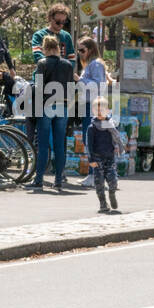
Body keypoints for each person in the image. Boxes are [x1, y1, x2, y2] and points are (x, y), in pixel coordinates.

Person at [28, 34, 75, 191]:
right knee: (59, 145)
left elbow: (39, 87)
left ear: (45, 48)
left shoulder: (42, 63)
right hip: (63, 106)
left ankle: (39, 179)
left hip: (46, 106)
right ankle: (58, 179)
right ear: (57, 48)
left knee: (42, 145)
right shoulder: (68, 65)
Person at [76, 36, 109, 184]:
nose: (80, 53)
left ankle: (94, 174)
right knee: (89, 139)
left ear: (90, 50)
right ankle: (95, 174)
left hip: (93, 105)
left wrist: (79, 79)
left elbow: (98, 85)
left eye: (82, 50)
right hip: (89, 104)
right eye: (79, 50)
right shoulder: (91, 64)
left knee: (90, 140)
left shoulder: (95, 64)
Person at [84, 98, 121, 214]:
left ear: (108, 111)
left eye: (102, 110)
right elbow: (88, 145)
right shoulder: (92, 128)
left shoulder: (110, 125)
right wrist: (91, 159)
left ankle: (112, 193)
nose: (100, 113)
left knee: (113, 179)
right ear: (93, 111)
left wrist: (118, 147)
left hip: (110, 158)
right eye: (97, 111)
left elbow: (116, 137)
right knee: (99, 183)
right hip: (97, 158)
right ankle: (103, 204)